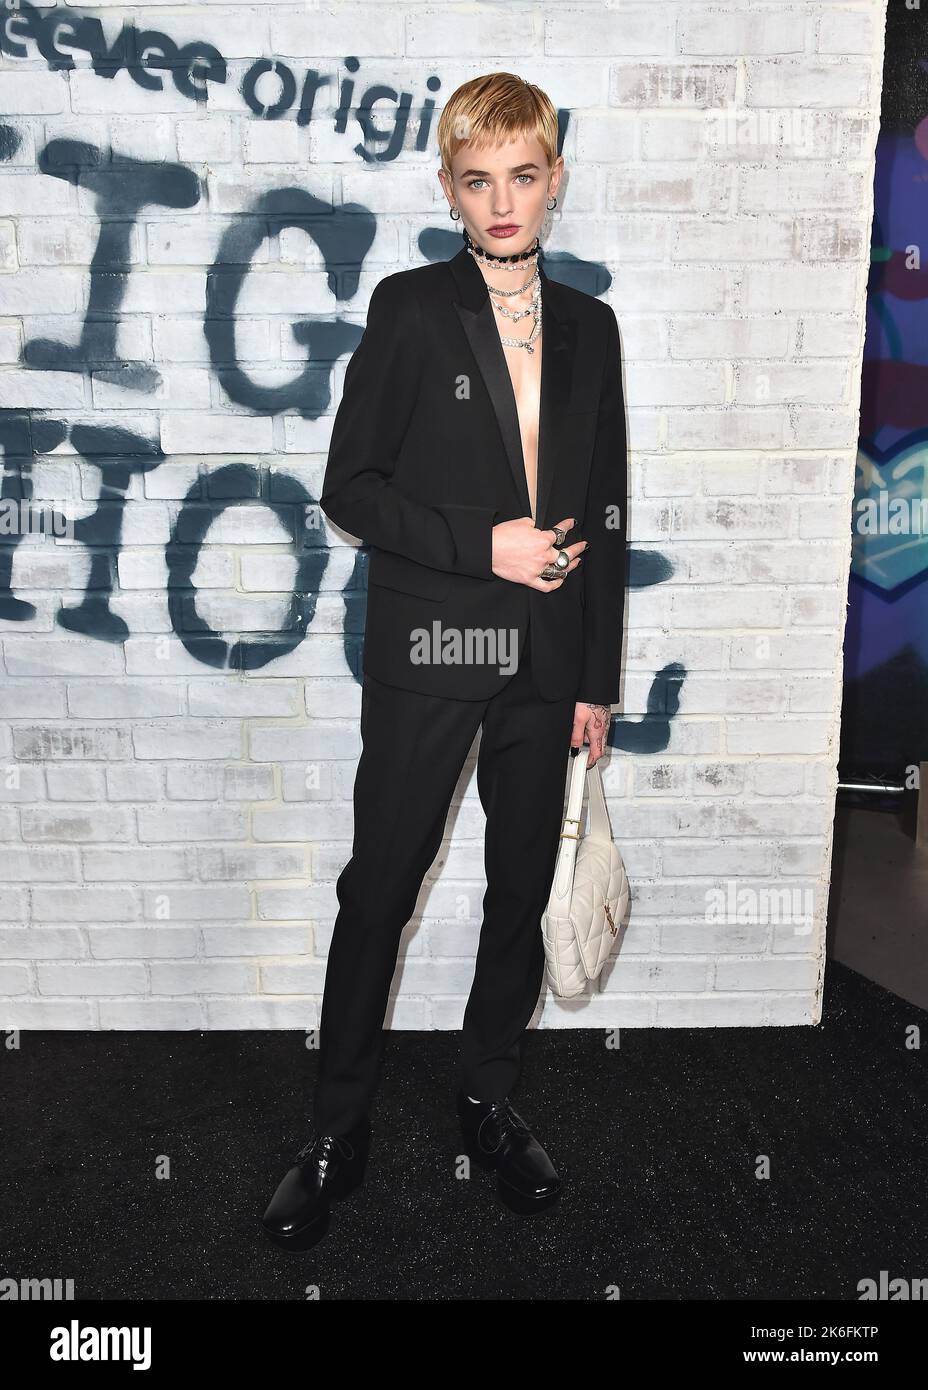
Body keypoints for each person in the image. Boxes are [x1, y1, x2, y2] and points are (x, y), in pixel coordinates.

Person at [261, 71, 627, 1251]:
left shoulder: (592, 327)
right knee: (382, 886)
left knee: (518, 892)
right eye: (478, 180)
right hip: (432, 644)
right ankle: (333, 1126)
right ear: (449, 187)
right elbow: (349, 487)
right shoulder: (412, 308)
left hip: (547, 661)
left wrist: (595, 678)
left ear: (553, 176)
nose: (502, 201)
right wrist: (486, 545)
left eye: (524, 176)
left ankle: (485, 1093)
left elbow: (610, 509)